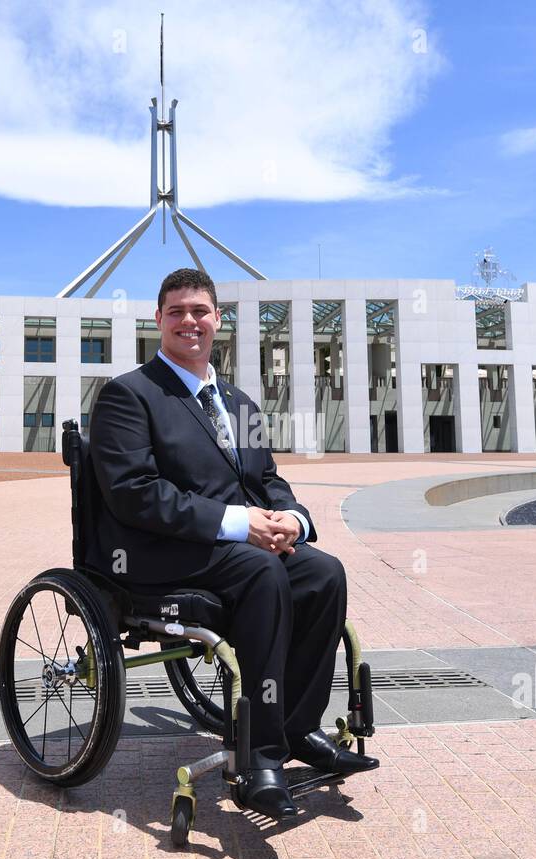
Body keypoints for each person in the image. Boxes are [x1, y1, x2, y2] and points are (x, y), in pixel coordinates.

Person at [84, 268, 376, 819]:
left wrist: (293, 518)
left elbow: (268, 480)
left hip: (234, 549)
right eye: (177, 312)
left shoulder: (239, 405)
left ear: (218, 320)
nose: (189, 321)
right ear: (159, 322)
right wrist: (241, 524)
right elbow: (135, 495)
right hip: (159, 550)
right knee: (261, 574)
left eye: (200, 311)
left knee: (323, 571)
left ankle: (296, 728)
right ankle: (260, 760)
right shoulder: (130, 395)